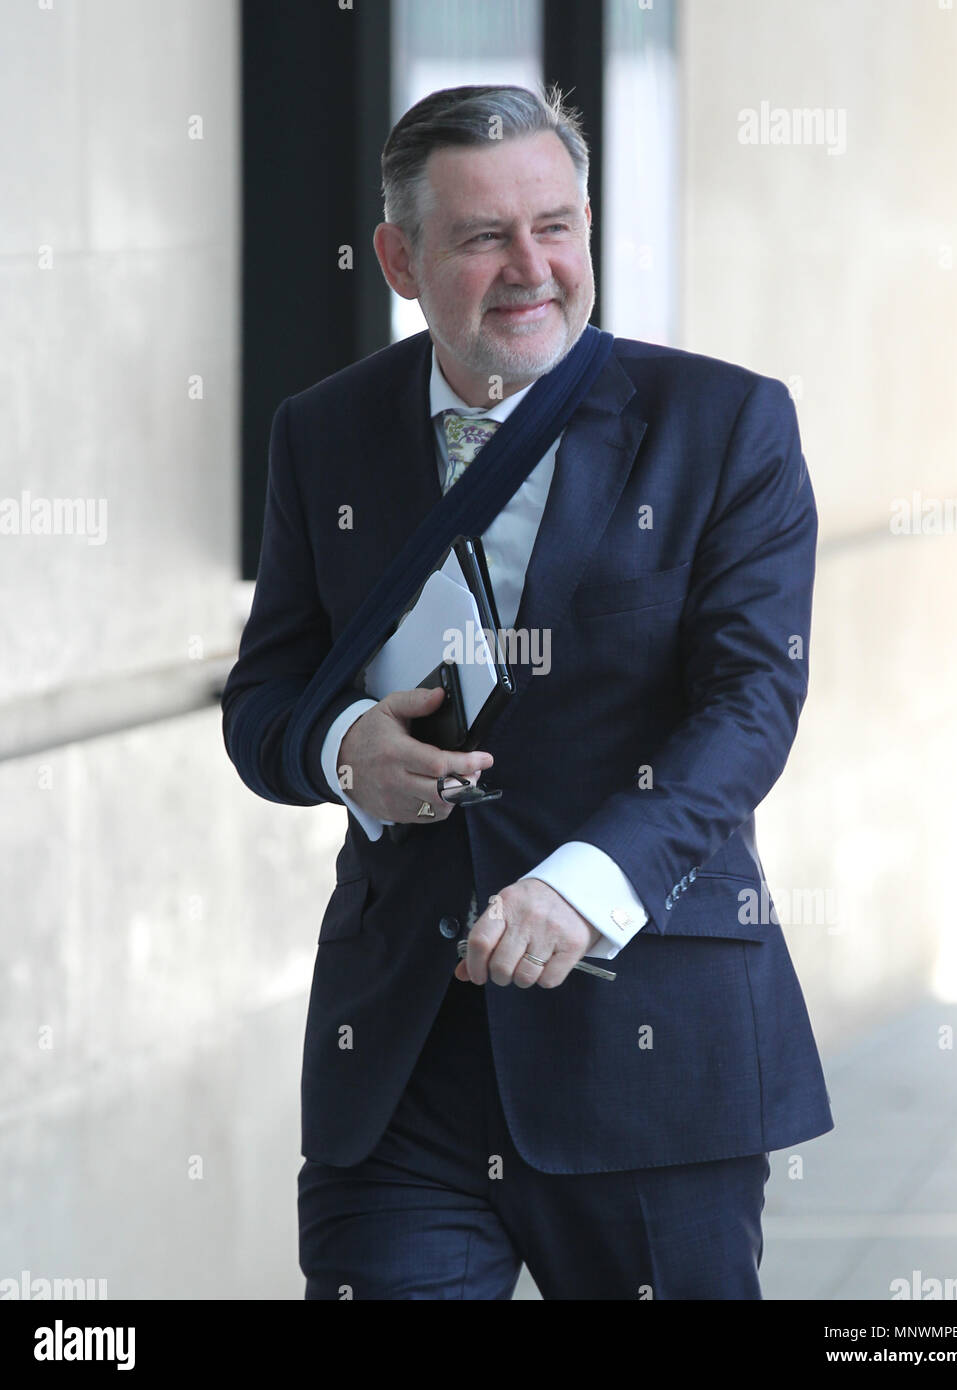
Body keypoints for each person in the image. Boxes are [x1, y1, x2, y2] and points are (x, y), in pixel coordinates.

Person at [221, 84, 834, 1301]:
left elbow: (750, 705)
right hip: (398, 1057)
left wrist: (583, 885)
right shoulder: (323, 433)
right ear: (399, 257)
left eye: (554, 226)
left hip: (647, 1041)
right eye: (482, 236)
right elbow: (265, 698)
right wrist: (344, 748)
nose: (530, 269)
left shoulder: (722, 423)